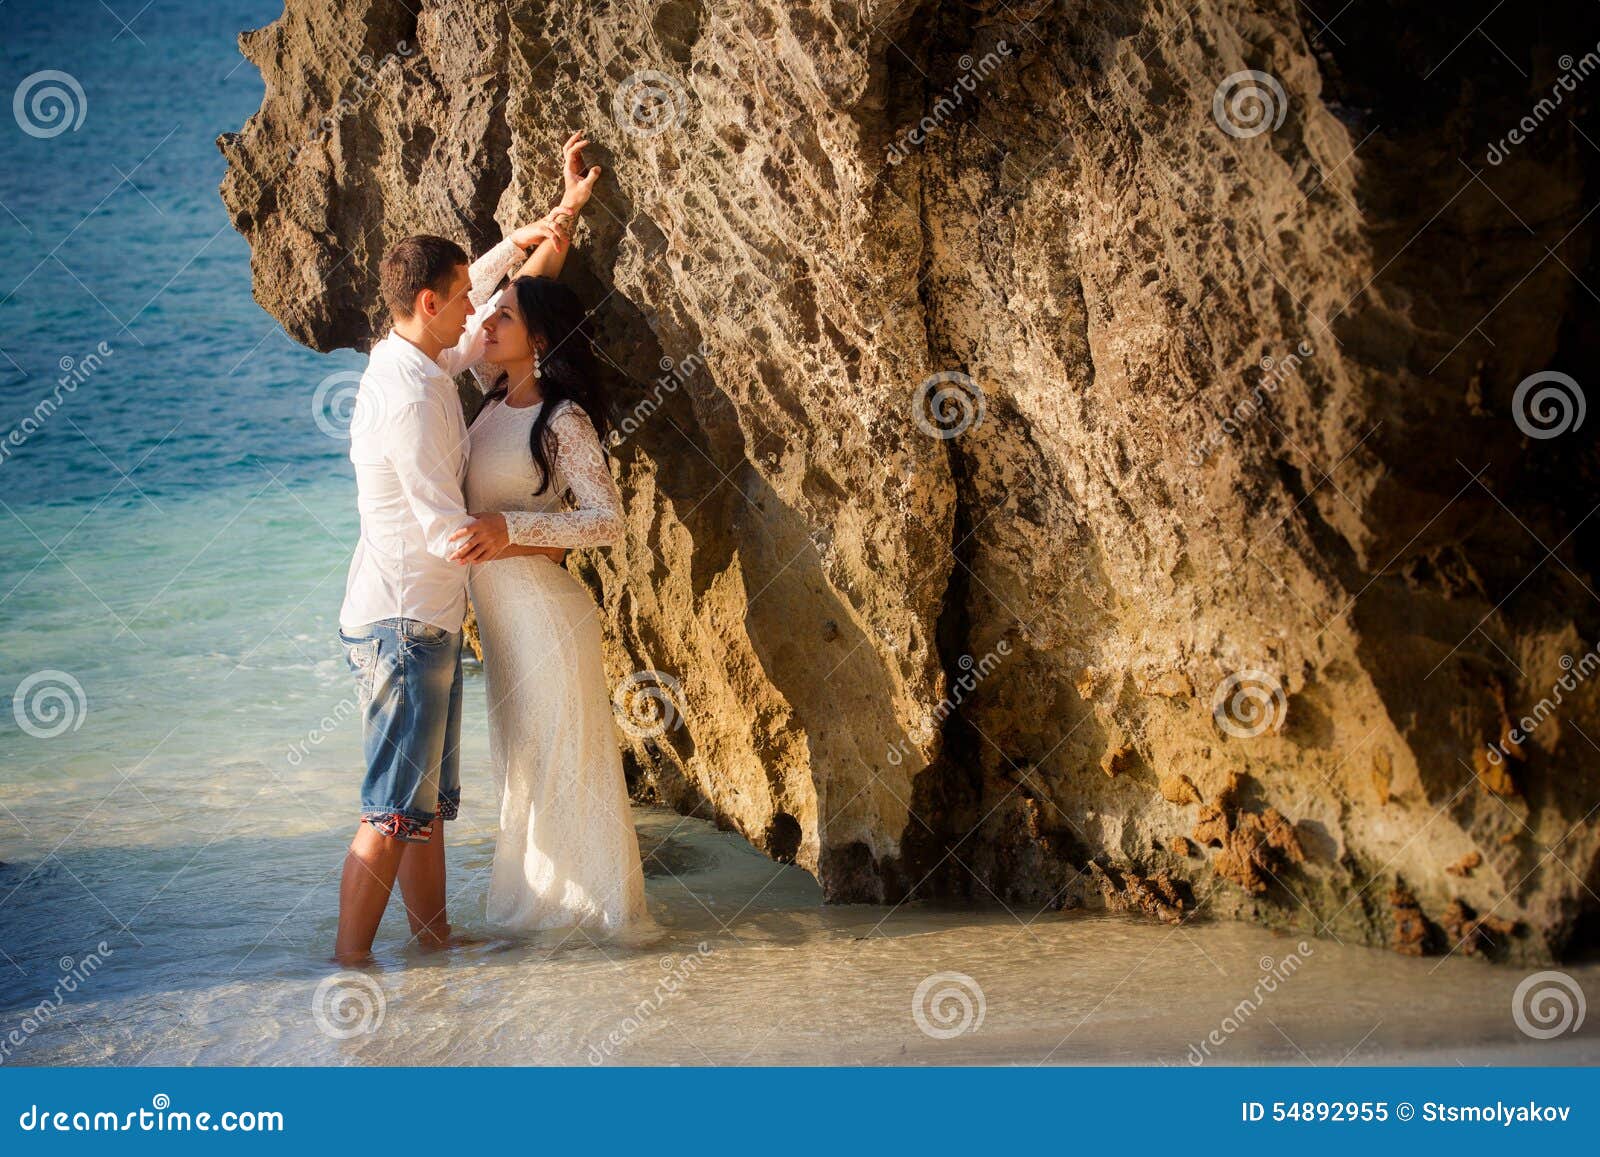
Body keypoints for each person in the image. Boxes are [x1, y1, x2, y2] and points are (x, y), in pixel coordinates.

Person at [331, 133, 600, 964]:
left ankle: (433, 942)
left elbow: (493, 317)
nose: (475, 314)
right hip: (404, 620)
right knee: (388, 808)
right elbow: (445, 526)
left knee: (423, 808)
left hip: (429, 620)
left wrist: (545, 229)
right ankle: (348, 966)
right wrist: (519, 533)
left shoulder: (418, 358)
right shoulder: (408, 398)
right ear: (425, 301)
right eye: (458, 299)